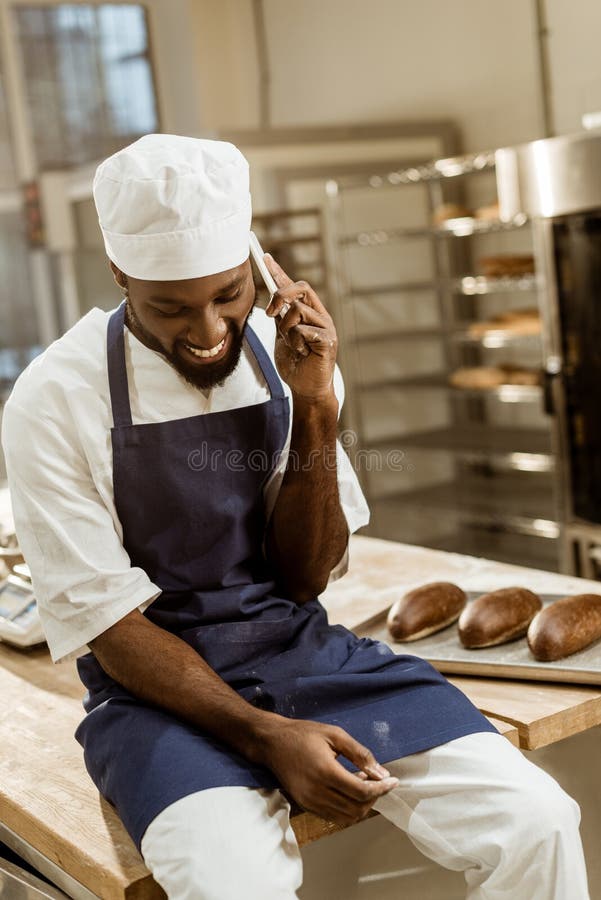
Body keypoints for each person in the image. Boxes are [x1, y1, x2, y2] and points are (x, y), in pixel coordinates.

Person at [2, 134, 589, 900]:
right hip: (156, 696)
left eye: (227, 295)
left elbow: (306, 572)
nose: (210, 331)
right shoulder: (56, 396)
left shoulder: (287, 352)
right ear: (120, 275)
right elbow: (110, 628)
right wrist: (266, 736)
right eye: (170, 309)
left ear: (254, 265)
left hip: (304, 653)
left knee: (537, 820)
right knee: (231, 884)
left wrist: (312, 402)